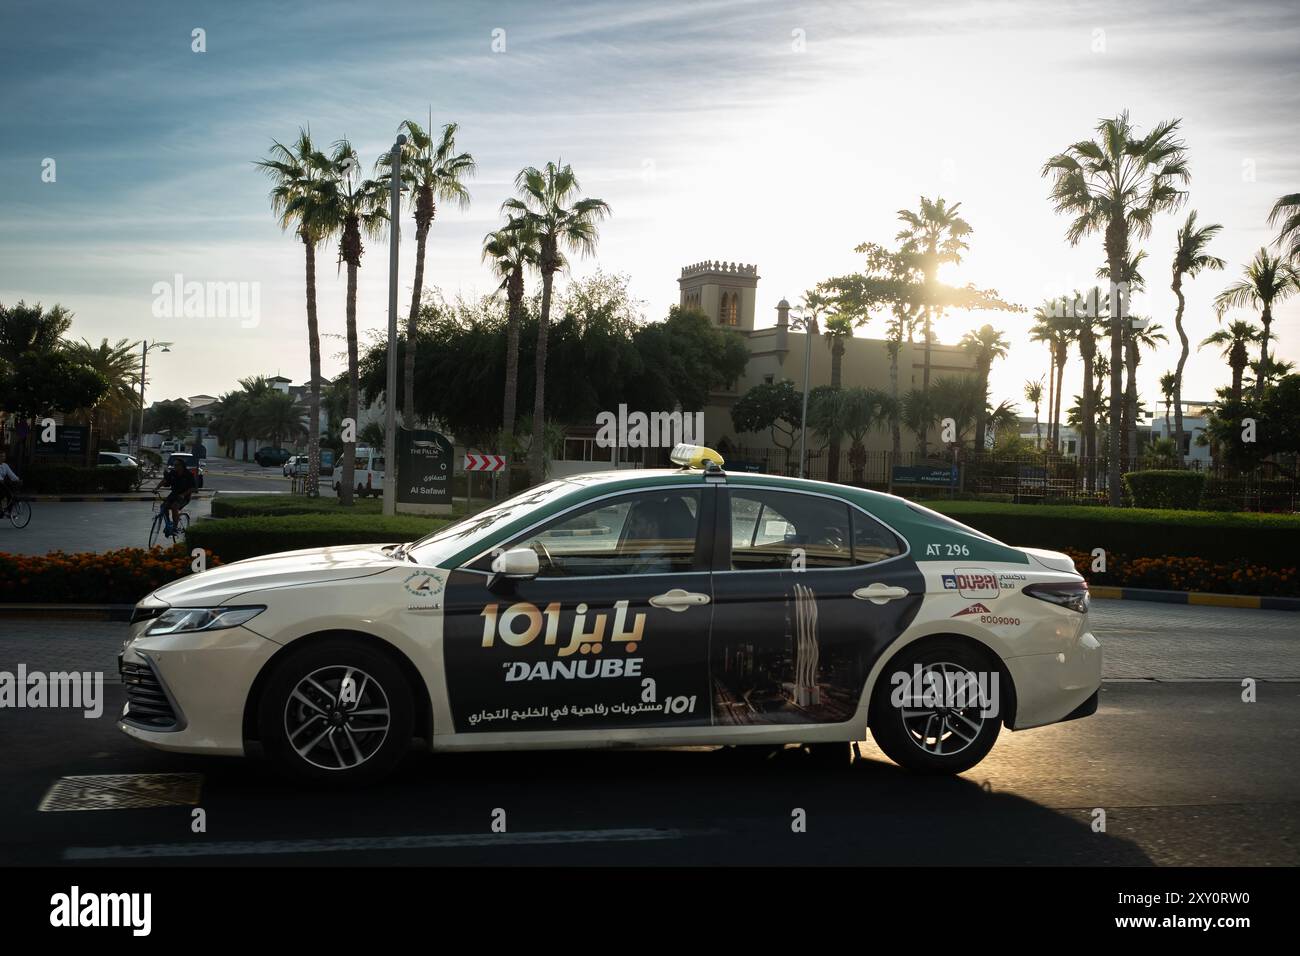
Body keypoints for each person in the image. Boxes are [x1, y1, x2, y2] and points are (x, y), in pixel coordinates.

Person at [154, 458, 197, 537]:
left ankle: (175, 528)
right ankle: (168, 523)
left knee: (174, 507)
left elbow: (193, 488)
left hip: (184, 497)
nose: (174, 467)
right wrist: (156, 488)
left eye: (176, 465)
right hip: (173, 495)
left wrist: (183, 494)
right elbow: (165, 480)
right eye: (174, 465)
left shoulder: (188, 474)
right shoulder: (173, 473)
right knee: (163, 507)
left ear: (182, 466)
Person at [0, 449, 20, 516]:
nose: (3, 458)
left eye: (4, 456)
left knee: (10, 495)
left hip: (1, 484)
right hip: (1, 483)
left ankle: (9, 511)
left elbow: (11, 474)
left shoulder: (5, 465)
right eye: (1, 456)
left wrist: (17, 479)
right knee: (3, 494)